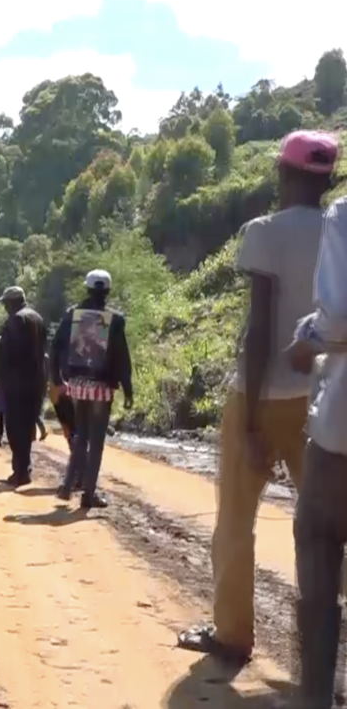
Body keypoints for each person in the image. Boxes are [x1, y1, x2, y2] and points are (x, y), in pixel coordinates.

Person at [178, 130, 338, 665]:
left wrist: (247, 423)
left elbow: (260, 325)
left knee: (236, 520)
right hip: (321, 399)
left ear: (284, 174)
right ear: (328, 178)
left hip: (262, 394)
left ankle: (232, 635)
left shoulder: (264, 232)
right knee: (326, 517)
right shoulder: (339, 231)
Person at [287, 189, 347, 708]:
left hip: (339, 437)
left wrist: (307, 336)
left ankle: (315, 698)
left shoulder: (345, 215)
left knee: (317, 543)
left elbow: (339, 317)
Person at [49, 269, 133, 510]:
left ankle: (67, 485)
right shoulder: (115, 319)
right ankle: (88, 494)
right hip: (102, 388)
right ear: (107, 291)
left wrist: (56, 379)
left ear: (86, 289)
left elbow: (55, 349)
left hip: (77, 385)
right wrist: (127, 389)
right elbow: (121, 357)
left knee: (80, 436)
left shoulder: (71, 316)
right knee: (96, 442)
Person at [0, 286, 46, 487]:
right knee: (26, 426)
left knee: (15, 428)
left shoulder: (16, 320)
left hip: (18, 382)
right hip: (37, 380)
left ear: (12, 302)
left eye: (5, 303)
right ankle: (24, 469)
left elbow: (10, 353)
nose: (5, 307)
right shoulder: (37, 317)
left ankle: (20, 472)